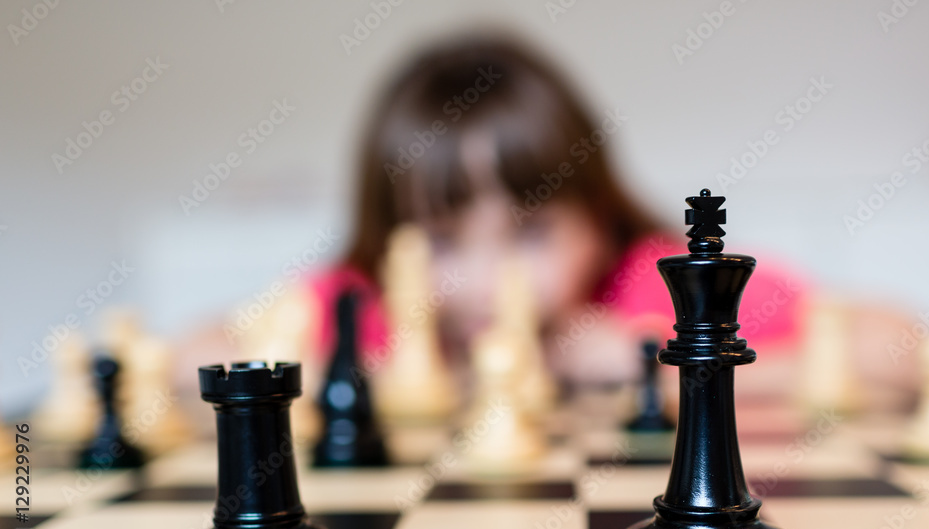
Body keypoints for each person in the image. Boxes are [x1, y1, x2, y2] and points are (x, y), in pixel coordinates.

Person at [311, 34, 812, 403]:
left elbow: (886, 347)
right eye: (442, 242)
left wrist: (657, 369)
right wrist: (348, 379)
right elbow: (233, 354)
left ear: (598, 221)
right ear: (384, 245)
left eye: (531, 232)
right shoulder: (364, 304)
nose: (489, 282)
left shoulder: (660, 286)